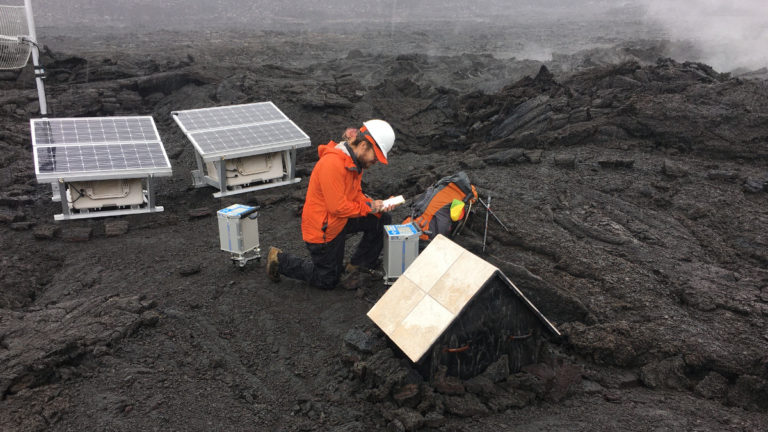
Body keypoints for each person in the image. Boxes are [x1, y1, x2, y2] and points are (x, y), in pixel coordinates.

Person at [266, 119, 398, 290]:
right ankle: (279, 260)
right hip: (324, 230)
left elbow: (355, 194)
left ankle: (358, 266)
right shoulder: (333, 164)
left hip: (338, 220)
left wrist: (375, 205)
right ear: (364, 145)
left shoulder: (353, 163)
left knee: (381, 218)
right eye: (376, 156)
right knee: (327, 280)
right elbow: (338, 208)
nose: (376, 161)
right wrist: (369, 207)